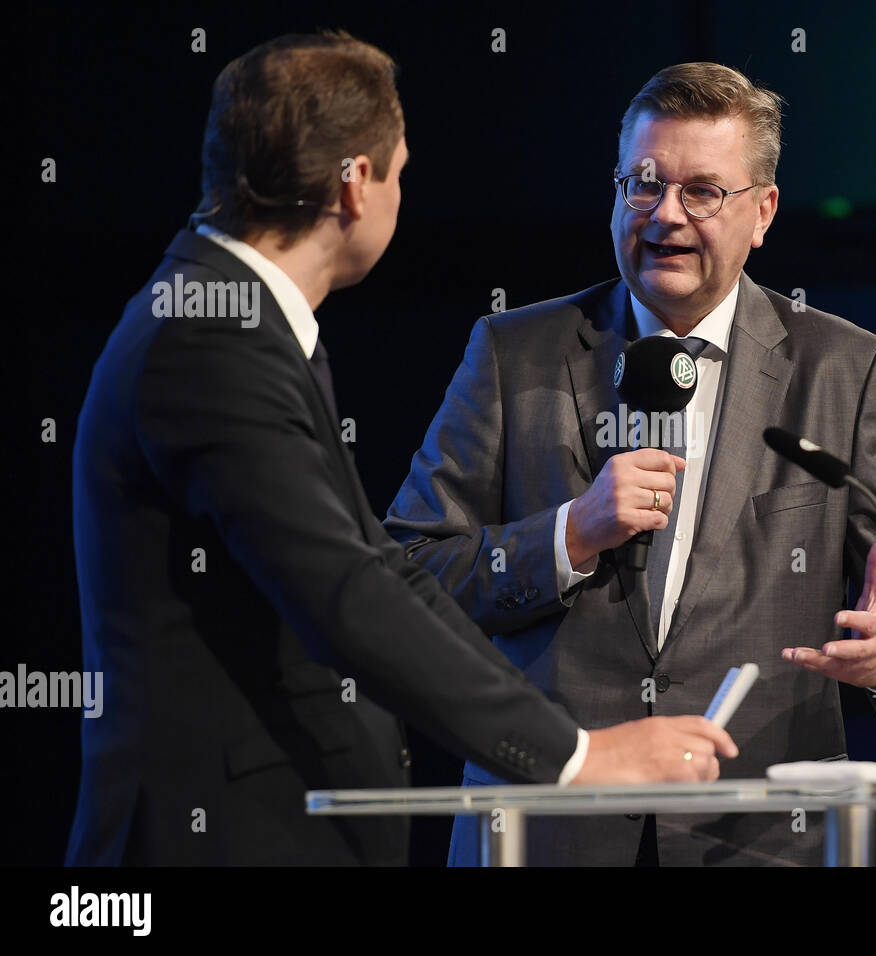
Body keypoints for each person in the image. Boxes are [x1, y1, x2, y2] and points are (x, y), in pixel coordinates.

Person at [65, 33, 735, 867]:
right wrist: (576, 755)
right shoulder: (210, 338)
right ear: (354, 184)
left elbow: (372, 570)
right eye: (400, 172)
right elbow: (344, 592)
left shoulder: (243, 321)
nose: (399, 196)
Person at [385, 62, 876, 866]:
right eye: (642, 185)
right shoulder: (513, 354)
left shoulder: (844, 370)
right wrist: (569, 534)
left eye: (701, 191)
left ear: (763, 211)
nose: (664, 215)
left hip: (763, 838)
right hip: (547, 832)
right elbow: (407, 575)